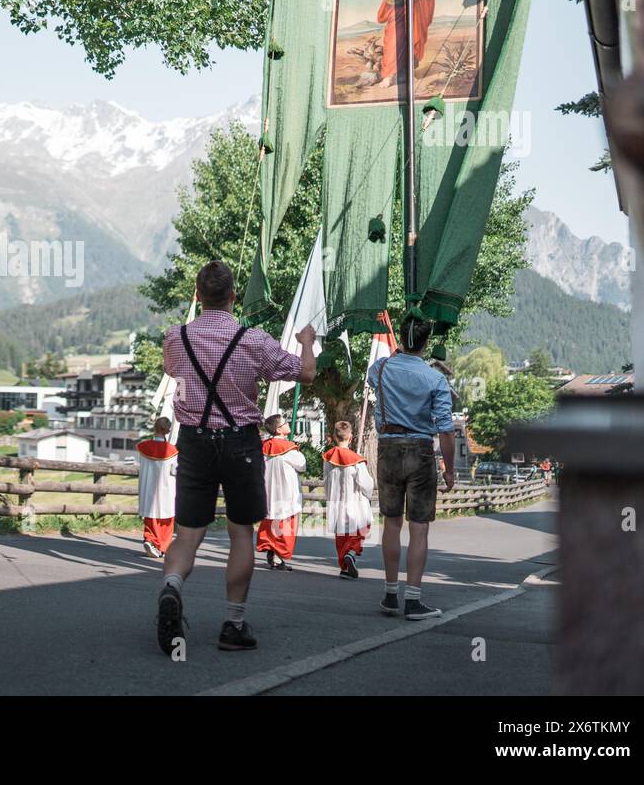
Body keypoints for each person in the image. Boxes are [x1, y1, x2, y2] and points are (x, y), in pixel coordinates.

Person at [157, 260, 317, 654]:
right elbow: (306, 373)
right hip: (241, 443)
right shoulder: (254, 340)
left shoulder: (175, 337)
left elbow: (173, 370)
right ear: (232, 296)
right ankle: (233, 623)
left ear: (197, 295)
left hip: (194, 440)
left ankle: (172, 586)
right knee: (241, 531)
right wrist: (308, 341)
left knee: (188, 533)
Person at [369, 314, 456, 620]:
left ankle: (390, 594)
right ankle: (414, 599)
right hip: (420, 451)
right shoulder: (435, 379)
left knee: (391, 523)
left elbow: (384, 365)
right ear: (426, 342)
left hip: (388, 448)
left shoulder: (378, 369)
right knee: (419, 528)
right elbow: (446, 429)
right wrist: (449, 468)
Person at [255, 413, 307, 571]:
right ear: (278, 430)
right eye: (285, 423)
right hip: (286, 492)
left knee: (270, 520)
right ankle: (278, 557)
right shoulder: (289, 449)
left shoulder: (262, 447)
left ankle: (271, 549)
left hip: (269, 491)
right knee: (284, 524)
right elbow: (302, 465)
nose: (288, 424)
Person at [323, 420, 374, 580]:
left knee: (341, 536)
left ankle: (344, 568)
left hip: (337, 502)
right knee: (359, 530)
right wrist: (369, 492)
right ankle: (351, 553)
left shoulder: (328, 459)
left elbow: (326, 481)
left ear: (334, 437)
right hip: (355, 502)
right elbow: (366, 484)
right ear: (350, 437)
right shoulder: (357, 460)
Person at [136, 417, 178, 559]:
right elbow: (174, 471)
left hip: (148, 486)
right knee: (166, 518)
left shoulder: (143, 447)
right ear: (167, 431)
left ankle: (150, 540)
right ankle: (161, 547)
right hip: (165, 488)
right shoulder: (172, 451)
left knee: (151, 515)